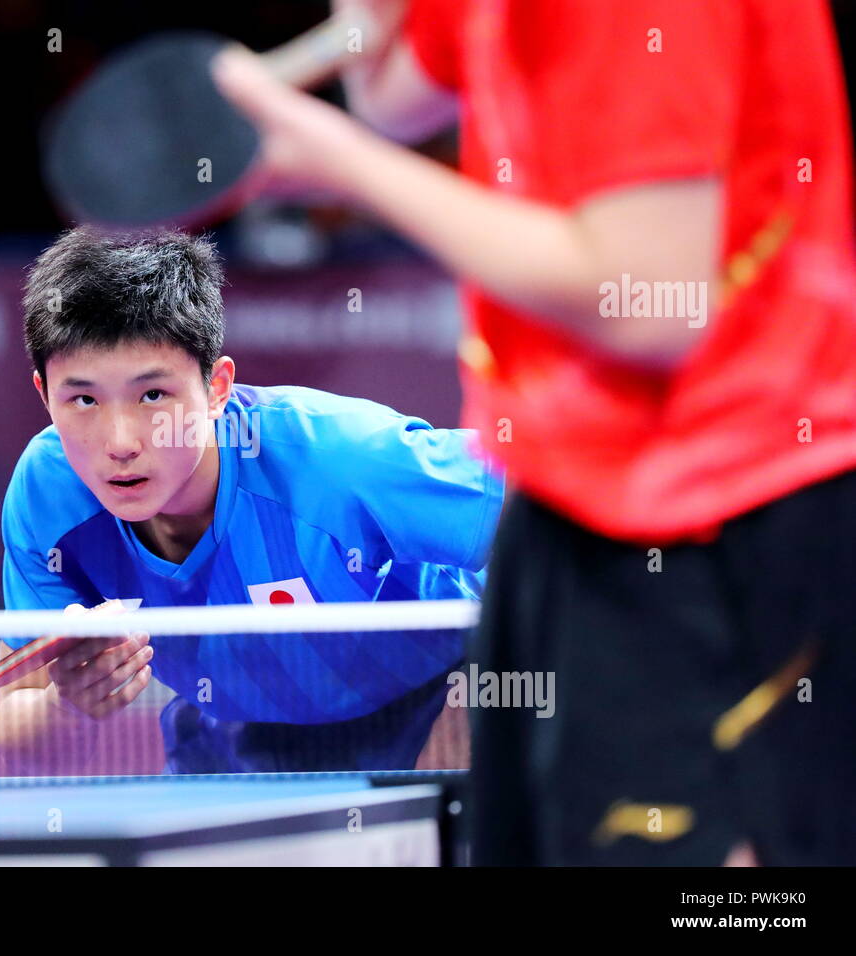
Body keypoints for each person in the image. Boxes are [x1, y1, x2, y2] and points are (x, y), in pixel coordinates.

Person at [209, 0, 856, 863]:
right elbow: (393, 88)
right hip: (572, 497)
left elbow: (653, 299)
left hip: (730, 506)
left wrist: (332, 162)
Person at [0, 227, 503, 773]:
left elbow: (552, 511)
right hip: (233, 731)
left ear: (216, 389)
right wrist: (67, 707)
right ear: (45, 395)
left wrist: (481, 690)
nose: (120, 443)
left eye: (153, 395)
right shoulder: (47, 495)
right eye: (84, 398)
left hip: (428, 697)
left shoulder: (337, 456)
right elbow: (18, 731)